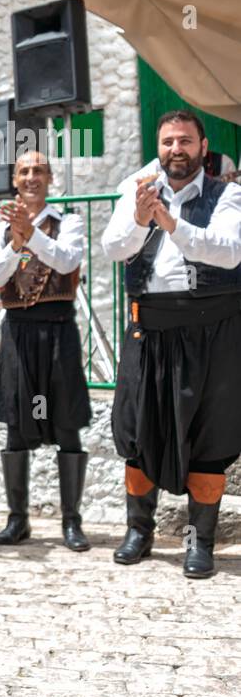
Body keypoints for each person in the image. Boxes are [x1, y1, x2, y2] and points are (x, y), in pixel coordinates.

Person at [101, 110, 241, 579]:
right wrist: (143, 219)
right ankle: (139, 531)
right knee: (139, 433)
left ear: (203, 147)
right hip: (150, 331)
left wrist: (171, 223)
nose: (175, 150)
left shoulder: (229, 194)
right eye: (167, 142)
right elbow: (115, 248)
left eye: (185, 141)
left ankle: (201, 542)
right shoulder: (134, 187)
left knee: (210, 435)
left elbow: (227, 250)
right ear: (158, 147)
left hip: (212, 332)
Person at [0, 151, 92, 550]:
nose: (32, 177)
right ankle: (18, 519)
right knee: (16, 423)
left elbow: (67, 261)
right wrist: (15, 239)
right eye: (24, 171)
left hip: (59, 330)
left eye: (39, 171)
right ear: (14, 179)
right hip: (19, 333)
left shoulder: (70, 223)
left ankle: (72, 521)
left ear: (49, 178)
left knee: (66, 424)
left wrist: (33, 232)